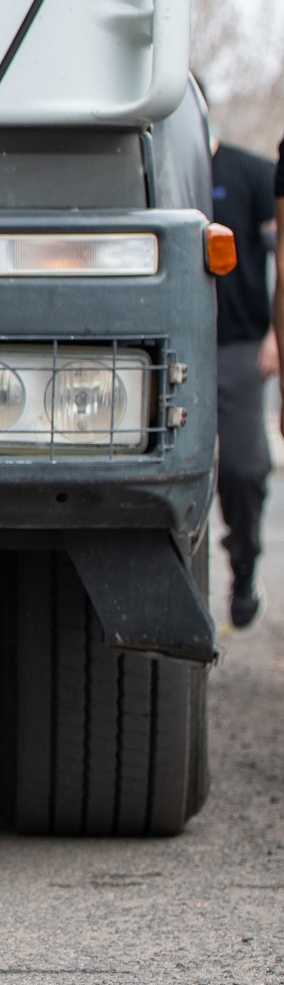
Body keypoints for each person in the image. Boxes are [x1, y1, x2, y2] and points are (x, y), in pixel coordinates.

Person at [210, 129, 274, 631]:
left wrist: (277, 334)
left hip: (238, 344)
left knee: (243, 469)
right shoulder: (149, 166)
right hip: (158, 347)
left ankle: (244, 564)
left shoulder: (249, 172)